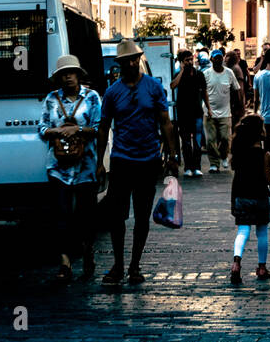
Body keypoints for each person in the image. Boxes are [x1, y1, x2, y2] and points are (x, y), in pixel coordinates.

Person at [97, 39, 179, 286]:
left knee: (142, 217)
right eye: (127, 60)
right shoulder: (112, 93)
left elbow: (165, 122)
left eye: (135, 58)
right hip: (122, 159)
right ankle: (118, 265)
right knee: (116, 217)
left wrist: (172, 156)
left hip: (148, 159)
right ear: (120, 64)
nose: (132, 63)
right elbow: (103, 128)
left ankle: (134, 265)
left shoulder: (154, 87)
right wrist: (100, 162)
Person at [38, 54, 103, 282]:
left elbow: (99, 127)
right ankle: (64, 261)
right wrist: (58, 131)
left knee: (86, 215)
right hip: (58, 167)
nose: (67, 78)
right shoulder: (51, 99)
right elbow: (42, 128)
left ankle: (87, 252)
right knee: (61, 215)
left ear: (78, 75)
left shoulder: (92, 98)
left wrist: (78, 131)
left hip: (86, 165)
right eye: (63, 74)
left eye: (71, 73)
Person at [229, 114, 270, 284]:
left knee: (242, 231)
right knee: (262, 232)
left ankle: (236, 263)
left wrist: (233, 202)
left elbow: (235, 180)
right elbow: (269, 180)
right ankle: (261, 267)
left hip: (241, 196)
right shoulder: (264, 154)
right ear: (260, 132)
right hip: (259, 197)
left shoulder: (239, 153)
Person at [202, 49, 240, 173]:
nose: (218, 60)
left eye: (220, 57)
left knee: (225, 138)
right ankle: (214, 163)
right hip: (209, 112)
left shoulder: (229, 73)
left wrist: (236, 106)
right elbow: (202, 92)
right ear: (211, 59)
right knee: (210, 140)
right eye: (215, 58)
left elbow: (236, 90)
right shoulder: (206, 73)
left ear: (222, 58)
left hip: (225, 112)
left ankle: (223, 156)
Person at [171, 48, 207, 178]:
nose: (190, 62)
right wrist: (181, 71)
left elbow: (204, 92)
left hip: (197, 112)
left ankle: (196, 167)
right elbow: (172, 85)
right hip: (183, 113)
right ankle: (188, 167)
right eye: (187, 60)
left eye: (191, 59)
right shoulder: (178, 74)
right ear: (181, 62)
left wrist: (208, 107)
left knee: (197, 142)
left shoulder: (199, 74)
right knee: (186, 142)